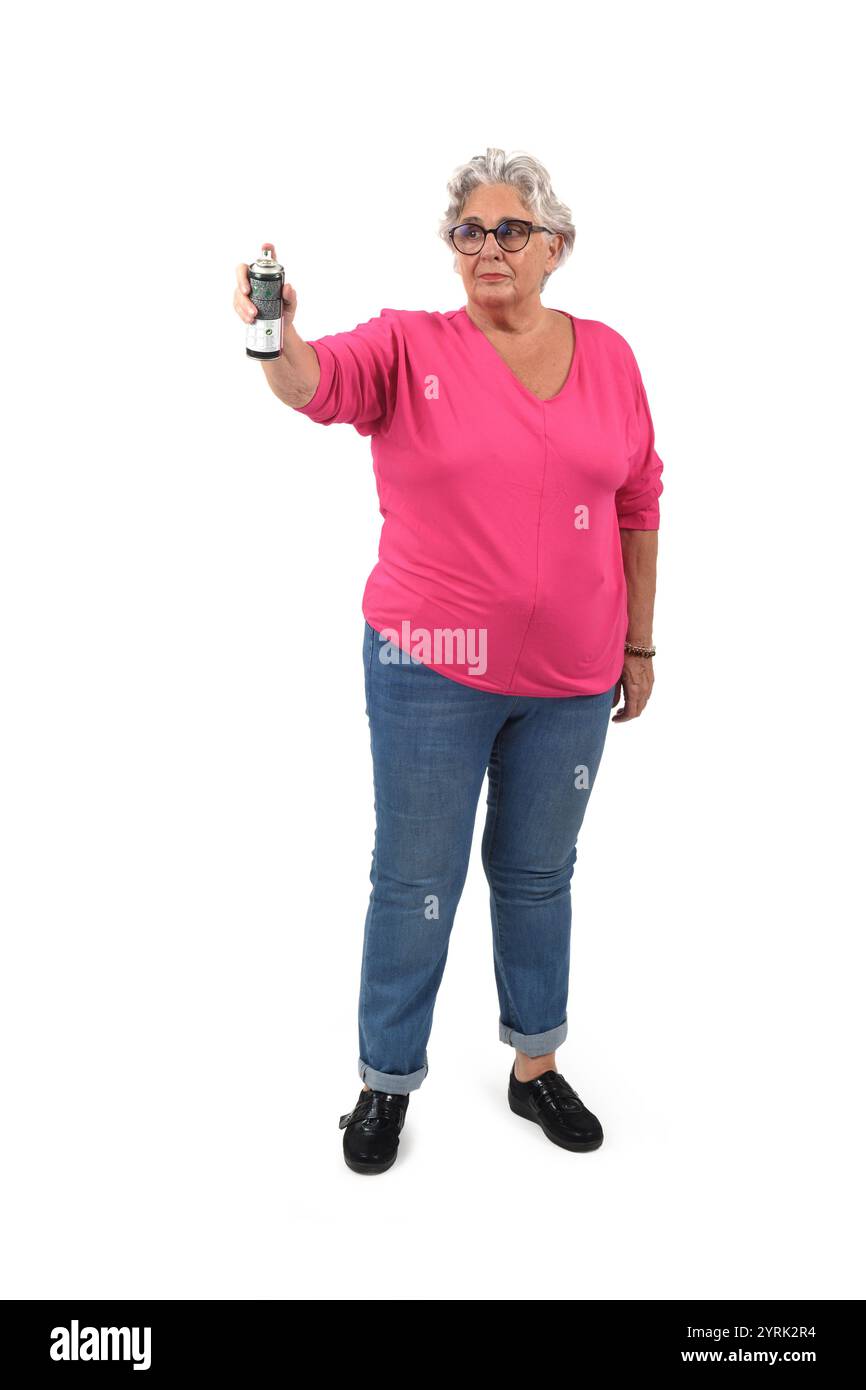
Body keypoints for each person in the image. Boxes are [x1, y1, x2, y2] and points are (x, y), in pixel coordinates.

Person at [232, 147, 664, 1175]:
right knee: (415, 875)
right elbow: (312, 383)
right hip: (431, 664)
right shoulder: (405, 346)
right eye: (468, 231)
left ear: (554, 247)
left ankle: (534, 1064)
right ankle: (384, 1083)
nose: (487, 247)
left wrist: (638, 640)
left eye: (510, 229)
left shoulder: (607, 355)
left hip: (569, 678)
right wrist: (271, 330)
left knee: (535, 875)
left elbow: (637, 499)